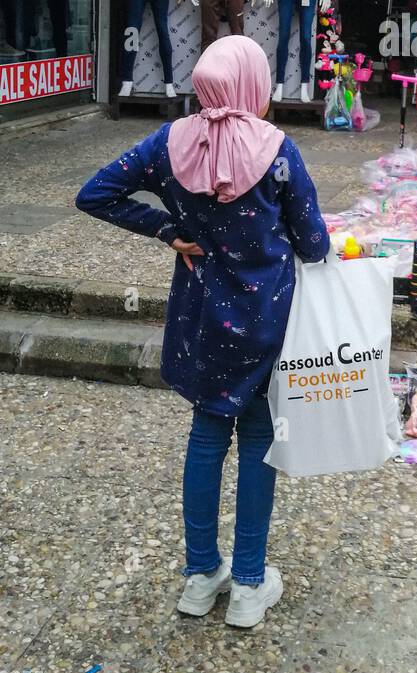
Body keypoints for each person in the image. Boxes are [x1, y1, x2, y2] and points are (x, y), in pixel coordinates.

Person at [75, 36, 329, 628]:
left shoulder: (169, 141)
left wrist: (168, 230)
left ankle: (199, 576)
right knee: (261, 441)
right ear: (253, 85)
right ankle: (246, 585)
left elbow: (96, 193)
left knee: (207, 437)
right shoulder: (280, 151)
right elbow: (314, 243)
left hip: (201, 320)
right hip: (267, 321)